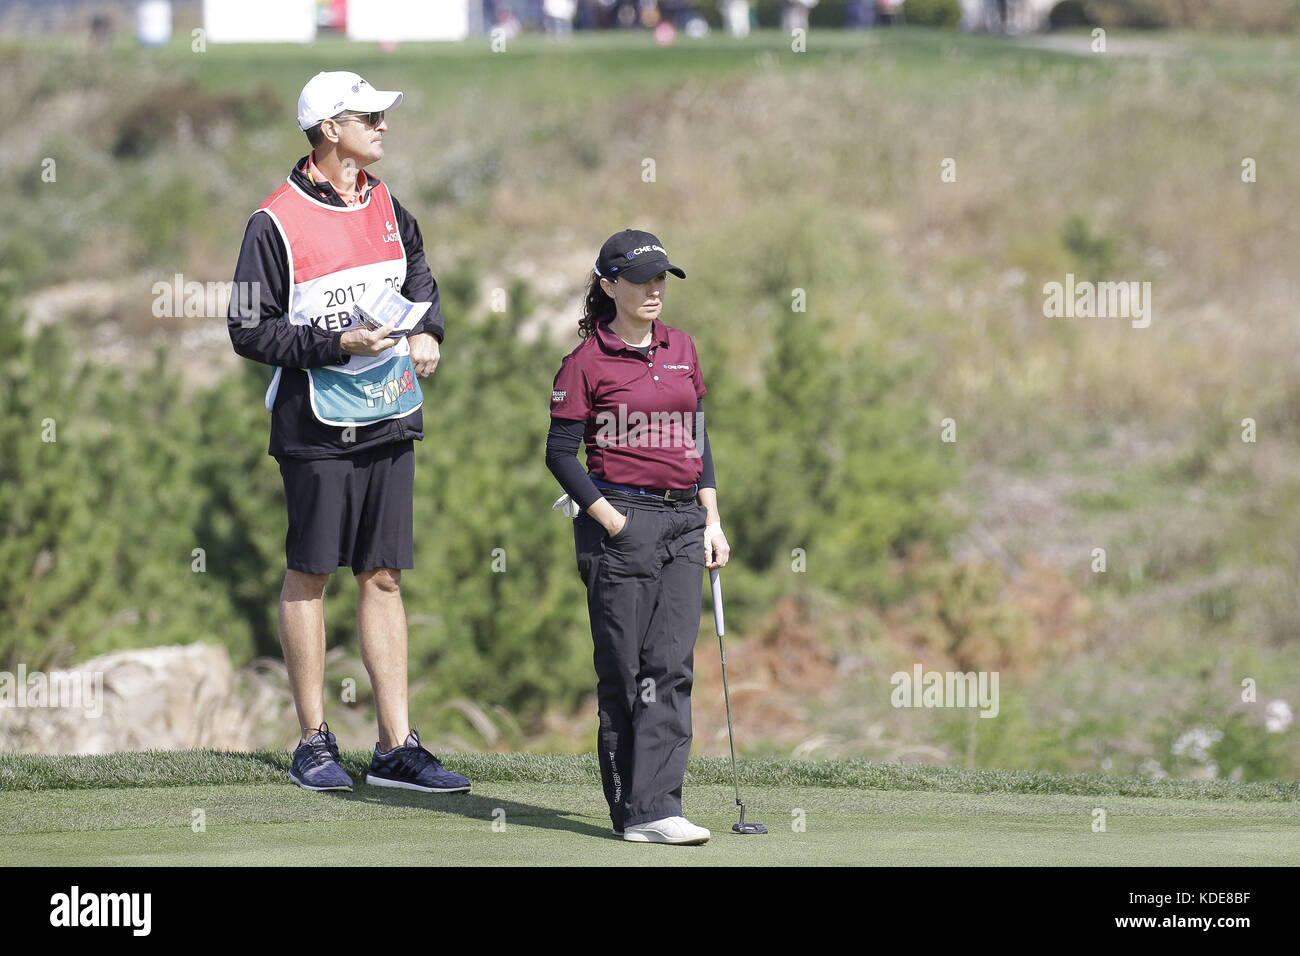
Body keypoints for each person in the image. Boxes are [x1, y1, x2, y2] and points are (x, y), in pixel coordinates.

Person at [227, 71, 470, 796]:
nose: (383, 125)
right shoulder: (270, 222)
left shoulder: (388, 203)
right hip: (314, 425)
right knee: (311, 574)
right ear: (330, 128)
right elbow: (247, 328)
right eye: (369, 115)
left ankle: (396, 747)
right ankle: (312, 740)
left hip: (390, 413)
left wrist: (427, 331)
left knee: (384, 576)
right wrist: (337, 347)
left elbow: (419, 278)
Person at [546, 229, 731, 845]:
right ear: (608, 287)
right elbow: (560, 455)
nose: (654, 290)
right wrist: (611, 520)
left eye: (661, 279)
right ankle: (632, 810)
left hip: (683, 522)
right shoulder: (584, 363)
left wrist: (713, 516)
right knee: (627, 672)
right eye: (641, 280)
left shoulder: (682, 347)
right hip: (620, 523)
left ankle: (660, 807)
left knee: (672, 666)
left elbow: (696, 436)